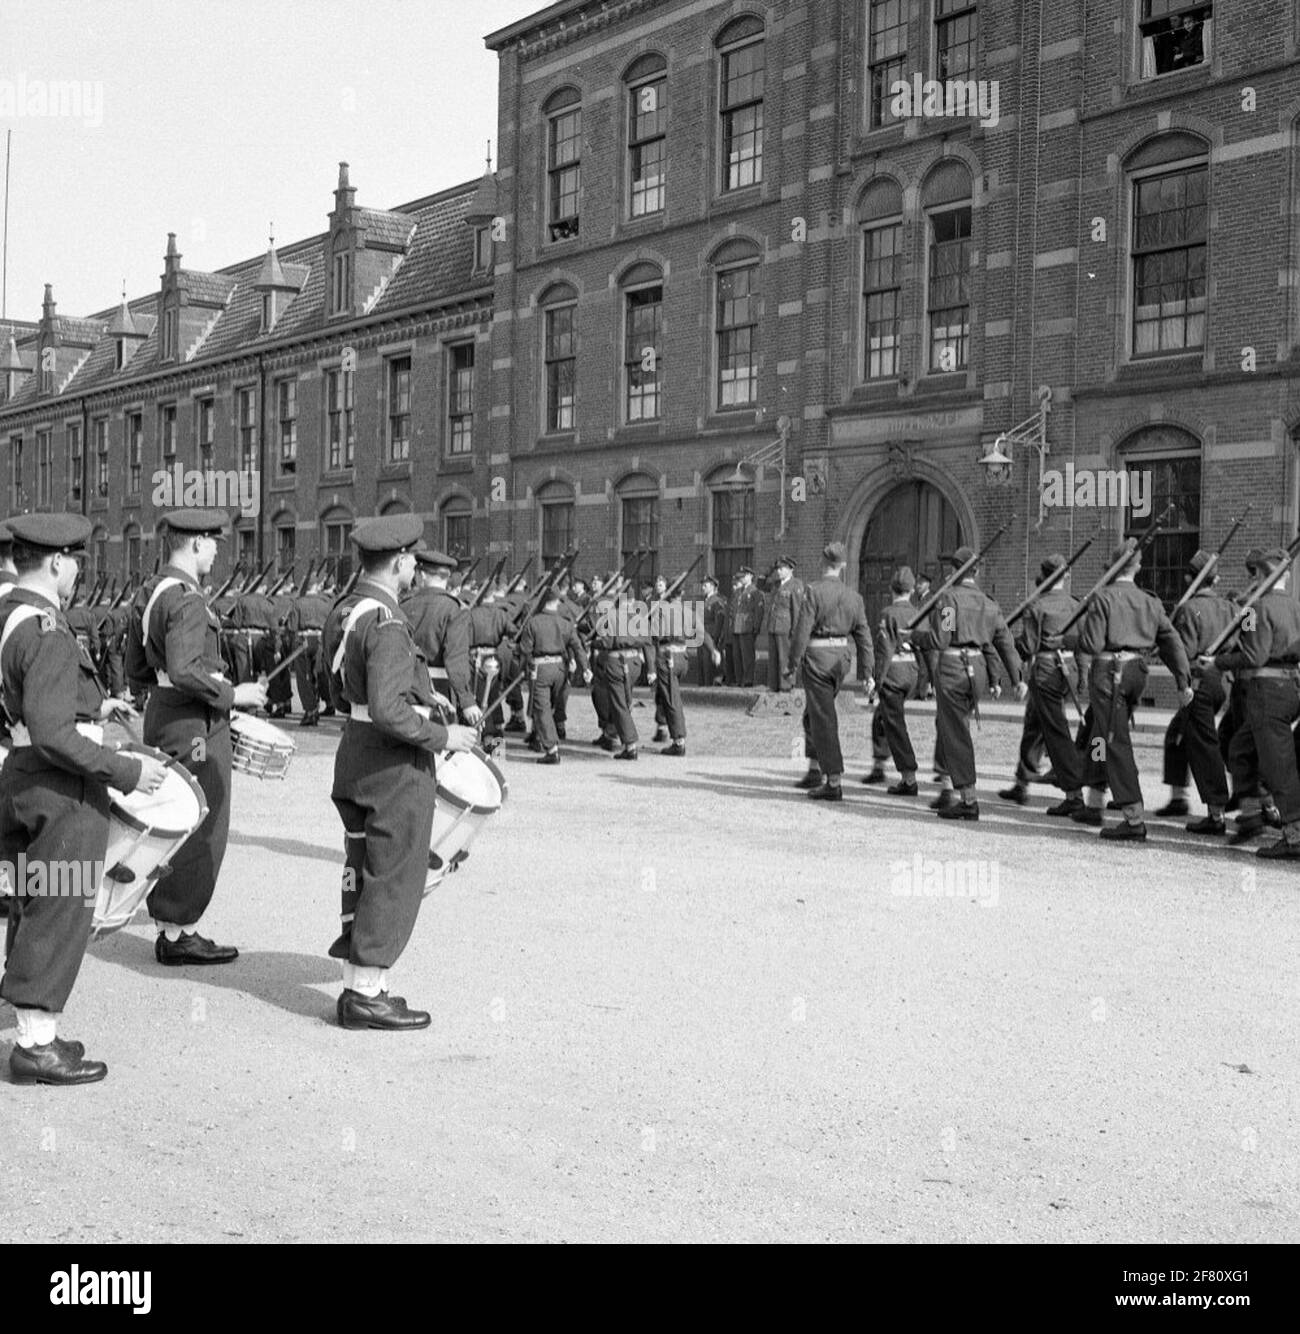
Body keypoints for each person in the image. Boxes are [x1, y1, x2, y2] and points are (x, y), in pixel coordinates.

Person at [0, 513, 169, 1084]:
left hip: (22, 775)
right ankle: (34, 1046)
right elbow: (53, 733)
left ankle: (32, 1029)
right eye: (74, 560)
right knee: (59, 909)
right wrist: (123, 770)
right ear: (55, 562)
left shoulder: (9, 613)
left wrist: (94, 707)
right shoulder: (46, 627)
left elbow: (30, 706)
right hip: (60, 790)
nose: (76, 571)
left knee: (33, 900)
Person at [322, 514, 478, 1028]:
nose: (415, 565)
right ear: (401, 562)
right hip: (393, 762)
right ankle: (365, 992)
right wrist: (443, 735)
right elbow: (391, 709)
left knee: (364, 865)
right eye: (412, 557)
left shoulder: (346, 609)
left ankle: (362, 982)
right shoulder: (386, 622)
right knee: (394, 872)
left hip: (358, 750)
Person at [125, 508, 267, 963]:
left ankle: (171, 922)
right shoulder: (187, 597)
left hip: (165, 713)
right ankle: (178, 930)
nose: (217, 553)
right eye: (215, 543)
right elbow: (188, 668)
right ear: (198, 543)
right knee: (203, 822)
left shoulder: (152, 590)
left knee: (175, 814)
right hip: (195, 723)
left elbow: (135, 668)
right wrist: (232, 693)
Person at [1075, 544, 1193, 840]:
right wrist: (1183, 681)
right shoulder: (1150, 602)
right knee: (1100, 734)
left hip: (1109, 674)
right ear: (1137, 568)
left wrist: (1078, 670)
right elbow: (1171, 641)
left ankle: (1133, 817)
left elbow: (1089, 644)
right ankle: (1094, 800)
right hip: (1136, 673)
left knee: (1114, 740)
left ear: (1112, 568)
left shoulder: (1104, 598)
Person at [925, 546, 1026, 820]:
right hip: (977, 669)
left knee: (955, 731)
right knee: (954, 727)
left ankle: (968, 799)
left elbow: (942, 639)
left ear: (953, 571)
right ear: (977, 572)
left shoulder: (948, 599)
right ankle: (950, 788)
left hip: (952, 668)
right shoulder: (989, 604)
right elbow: (1005, 643)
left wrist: (914, 636)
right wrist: (1017, 679)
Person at [1212, 547, 1300, 857]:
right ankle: (1250, 816)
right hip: (1290, 688)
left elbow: (1252, 656)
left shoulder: (1255, 609)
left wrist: (1217, 662)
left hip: (1266, 692)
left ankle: (1294, 837)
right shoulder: (1294, 605)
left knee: (1279, 767)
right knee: (1240, 749)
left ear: (1260, 575)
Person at [998, 555, 1087, 816]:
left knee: (1055, 732)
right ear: (1065, 577)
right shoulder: (1075, 605)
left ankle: (1074, 794)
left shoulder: (1037, 605)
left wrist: (1007, 650)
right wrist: (1082, 675)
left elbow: (1028, 646)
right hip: (1068, 671)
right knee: (1035, 723)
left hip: (1046, 671)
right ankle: (1022, 782)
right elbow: (1083, 645)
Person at [1158, 551, 1235, 834]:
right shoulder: (1230, 608)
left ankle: (1216, 815)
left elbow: (1185, 653)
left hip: (1199, 684)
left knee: (1204, 745)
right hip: (1221, 682)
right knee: (1177, 736)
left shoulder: (1190, 609)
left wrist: (1165, 643)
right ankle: (1178, 798)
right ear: (1215, 580)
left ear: (1191, 577)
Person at [790, 542, 874, 801]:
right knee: (813, 713)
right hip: (841, 661)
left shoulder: (813, 591)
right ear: (843, 566)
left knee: (823, 717)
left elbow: (802, 631)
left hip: (817, 660)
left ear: (822, 562)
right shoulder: (854, 597)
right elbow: (864, 637)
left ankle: (833, 780)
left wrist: (791, 663)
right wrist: (868, 673)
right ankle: (815, 769)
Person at [403, 549, 480, 728]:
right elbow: (456, 658)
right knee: (442, 746)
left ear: (421, 575)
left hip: (408, 687)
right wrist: (466, 700)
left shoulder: (404, 605)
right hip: (441, 689)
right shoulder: (455, 610)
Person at [862, 566, 921, 795]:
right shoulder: (918, 612)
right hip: (911, 672)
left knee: (895, 725)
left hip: (894, 674)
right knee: (881, 718)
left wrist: (877, 680)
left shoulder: (888, 613)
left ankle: (909, 778)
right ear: (912, 589)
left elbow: (885, 650)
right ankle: (878, 765)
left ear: (891, 589)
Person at [519, 585, 590, 763]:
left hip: (541, 668)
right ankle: (548, 735)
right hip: (560, 668)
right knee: (551, 706)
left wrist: (524, 669)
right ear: (558, 601)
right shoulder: (565, 623)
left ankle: (551, 748)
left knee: (541, 708)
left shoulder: (533, 622)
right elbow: (577, 647)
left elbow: (525, 650)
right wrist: (586, 668)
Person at [291, 572, 332, 727]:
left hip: (304, 640)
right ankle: (327, 703)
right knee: (322, 674)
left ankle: (311, 710)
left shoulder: (299, 603)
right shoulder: (326, 602)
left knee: (304, 677)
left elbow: (292, 626)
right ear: (316, 586)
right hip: (321, 640)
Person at [765, 557, 803, 692]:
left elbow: (797, 610)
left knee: (784, 658)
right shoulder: (776, 584)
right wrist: (768, 571)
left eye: (782, 569)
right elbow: (761, 584)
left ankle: (786, 685)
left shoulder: (795, 585)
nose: (779, 572)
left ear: (791, 570)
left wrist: (795, 631)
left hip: (786, 627)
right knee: (773, 658)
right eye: (777, 569)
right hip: (774, 626)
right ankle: (774, 685)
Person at [732, 566, 764, 688]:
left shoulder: (755, 591)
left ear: (750, 576)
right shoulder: (739, 591)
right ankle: (740, 679)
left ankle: (748, 680)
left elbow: (759, 611)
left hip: (748, 626)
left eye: (744, 576)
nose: (742, 579)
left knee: (747, 656)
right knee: (738, 655)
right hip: (738, 626)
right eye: (740, 577)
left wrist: (756, 627)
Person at [699, 575, 727, 685]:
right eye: (703, 585)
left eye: (705, 585)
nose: (703, 587)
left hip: (710, 636)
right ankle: (701, 687)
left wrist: (715, 638)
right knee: (702, 664)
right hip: (701, 636)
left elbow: (719, 622)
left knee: (709, 664)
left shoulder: (718, 601)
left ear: (713, 587)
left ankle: (709, 687)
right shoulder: (703, 600)